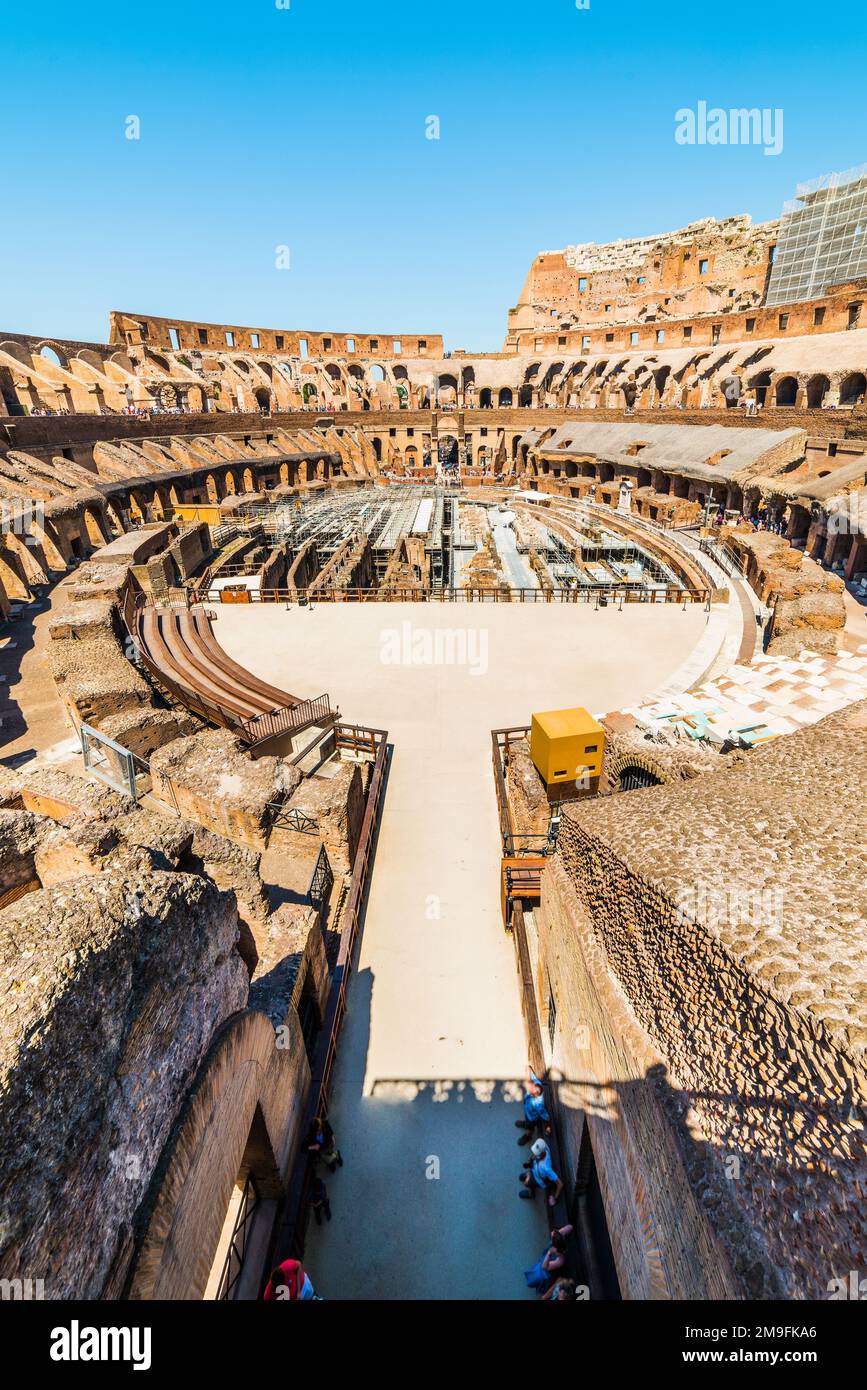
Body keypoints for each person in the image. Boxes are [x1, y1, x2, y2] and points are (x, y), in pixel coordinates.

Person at [524, 1225, 573, 1293]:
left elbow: (544, 1267)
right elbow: (570, 1227)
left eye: (553, 1234)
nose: (552, 1231)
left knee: (538, 1275)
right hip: (549, 1260)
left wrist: (549, 1253)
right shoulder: (558, 1238)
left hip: (548, 1269)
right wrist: (561, 1232)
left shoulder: (559, 1260)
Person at [515, 1063, 551, 1146]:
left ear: (536, 1094)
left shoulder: (538, 1104)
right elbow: (530, 1079)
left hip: (532, 1118)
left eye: (531, 1091)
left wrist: (548, 1124)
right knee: (527, 1119)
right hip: (528, 1112)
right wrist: (527, 1069)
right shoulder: (536, 1083)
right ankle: (525, 1123)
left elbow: (545, 1115)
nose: (529, 1089)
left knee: (530, 1128)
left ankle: (528, 1136)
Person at [519, 1138, 563, 1205]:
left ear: (542, 1153)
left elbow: (560, 1184)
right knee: (523, 1176)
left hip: (538, 1179)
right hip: (534, 1169)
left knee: (526, 1183)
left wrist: (555, 1198)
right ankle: (528, 1175)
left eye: (537, 1153)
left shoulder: (546, 1168)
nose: (535, 1154)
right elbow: (535, 1154)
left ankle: (531, 1194)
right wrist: (530, 1160)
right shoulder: (544, 1146)